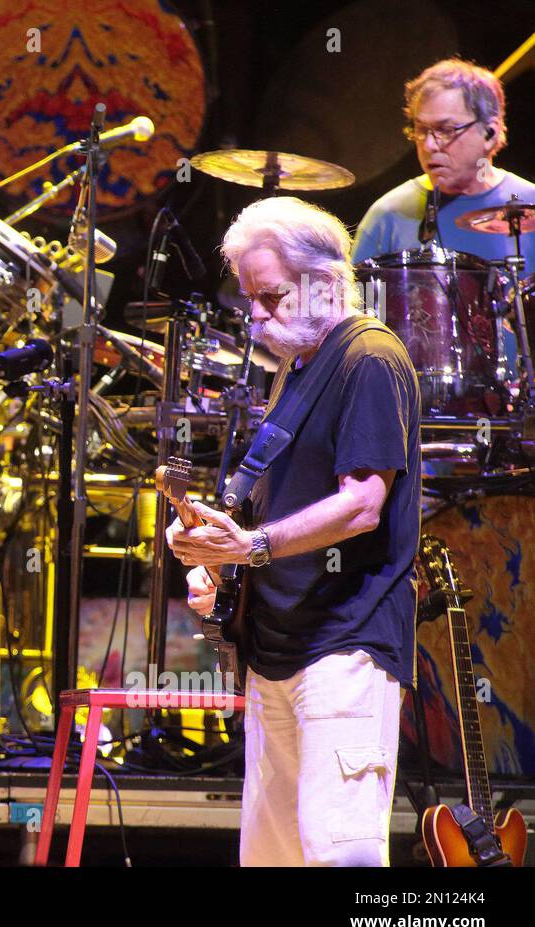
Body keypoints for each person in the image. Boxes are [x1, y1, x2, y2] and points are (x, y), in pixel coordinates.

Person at [168, 196, 421, 866]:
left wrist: (250, 547)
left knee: (341, 858)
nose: (254, 314)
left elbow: (362, 504)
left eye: (270, 295)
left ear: (325, 279)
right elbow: (280, 509)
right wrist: (216, 555)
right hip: (277, 649)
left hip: (345, 645)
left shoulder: (369, 357)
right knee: (272, 858)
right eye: (249, 297)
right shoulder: (298, 367)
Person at [353, 58, 535, 274]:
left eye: (446, 129)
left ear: (489, 133)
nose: (429, 145)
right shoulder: (388, 215)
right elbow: (353, 303)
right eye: (421, 130)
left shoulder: (529, 203)